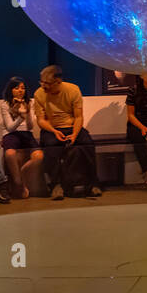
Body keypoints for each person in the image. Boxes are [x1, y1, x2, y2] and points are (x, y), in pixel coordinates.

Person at [33, 65, 104, 200]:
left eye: (47, 84)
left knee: (88, 144)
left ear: (58, 82)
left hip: (72, 126)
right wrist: (54, 131)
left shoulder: (73, 90)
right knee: (51, 147)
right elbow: (41, 120)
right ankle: (55, 185)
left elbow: (78, 117)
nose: (43, 86)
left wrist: (74, 134)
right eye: (41, 82)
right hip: (51, 128)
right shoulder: (39, 94)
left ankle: (92, 184)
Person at [0, 76, 43, 199]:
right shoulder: (5, 104)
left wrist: (27, 113)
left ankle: (20, 178)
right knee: (10, 154)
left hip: (26, 133)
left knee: (39, 156)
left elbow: (29, 127)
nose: (20, 90)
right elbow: (10, 128)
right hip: (11, 134)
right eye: (17, 88)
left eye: (23, 88)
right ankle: (18, 183)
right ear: (11, 90)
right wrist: (20, 117)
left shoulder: (30, 102)